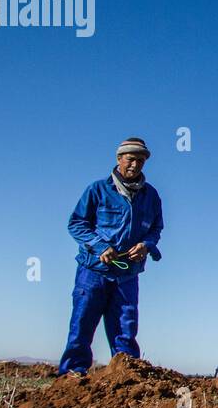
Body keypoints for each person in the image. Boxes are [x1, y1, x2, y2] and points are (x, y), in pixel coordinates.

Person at [58, 138, 164, 375]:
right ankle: (72, 374)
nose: (135, 165)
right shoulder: (97, 190)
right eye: (130, 159)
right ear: (119, 159)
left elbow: (156, 229)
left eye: (140, 160)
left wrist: (146, 245)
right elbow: (76, 223)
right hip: (94, 271)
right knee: (82, 325)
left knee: (125, 330)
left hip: (127, 274)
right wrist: (99, 246)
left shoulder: (151, 196)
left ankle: (126, 379)